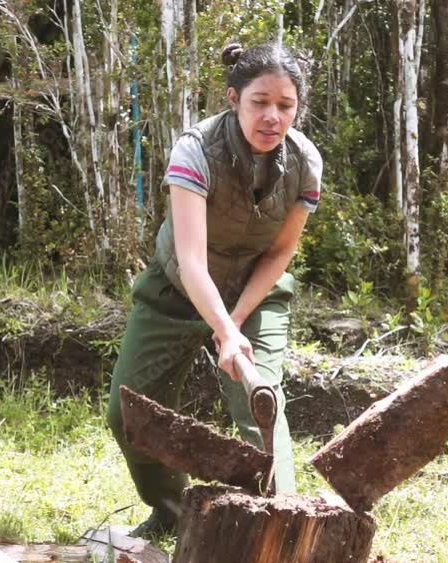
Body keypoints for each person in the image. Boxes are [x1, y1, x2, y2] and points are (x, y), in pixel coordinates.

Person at [106, 41, 323, 539]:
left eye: (285, 106)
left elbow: (279, 252)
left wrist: (239, 320)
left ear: (297, 108)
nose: (272, 116)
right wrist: (222, 330)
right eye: (259, 102)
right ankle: (173, 514)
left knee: (260, 402)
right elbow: (191, 259)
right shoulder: (196, 150)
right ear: (233, 99)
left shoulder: (306, 162)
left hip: (256, 290)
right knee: (128, 409)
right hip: (179, 289)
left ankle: (285, 526)